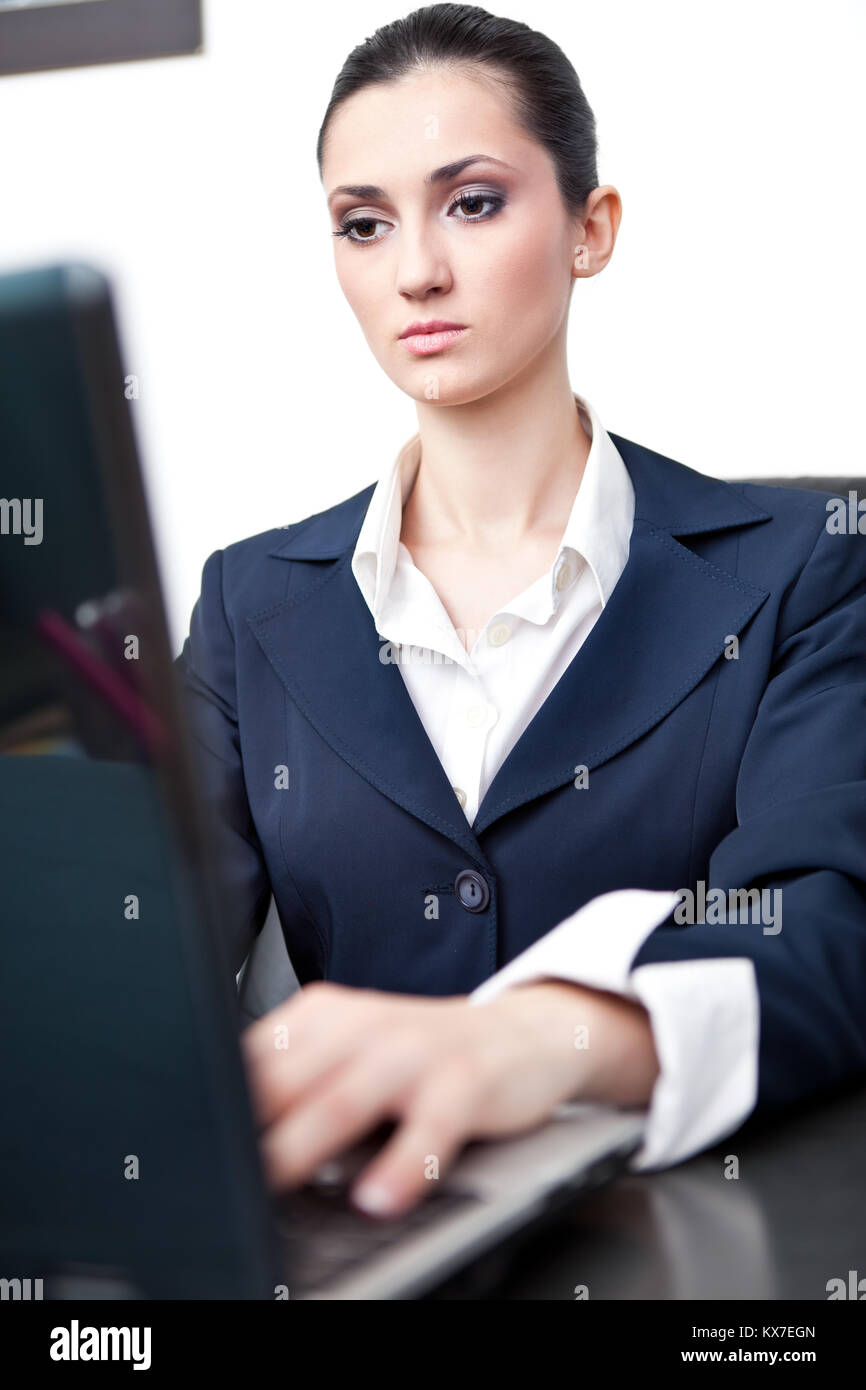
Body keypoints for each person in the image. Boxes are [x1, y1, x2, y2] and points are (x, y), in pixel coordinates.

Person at [175, 3, 866, 1221]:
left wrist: (546, 1038)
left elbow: (828, 930)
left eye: (473, 201)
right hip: (367, 1236)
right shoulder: (250, 601)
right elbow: (141, 950)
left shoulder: (800, 566)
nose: (415, 270)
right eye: (363, 224)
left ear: (589, 229)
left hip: (687, 1239)